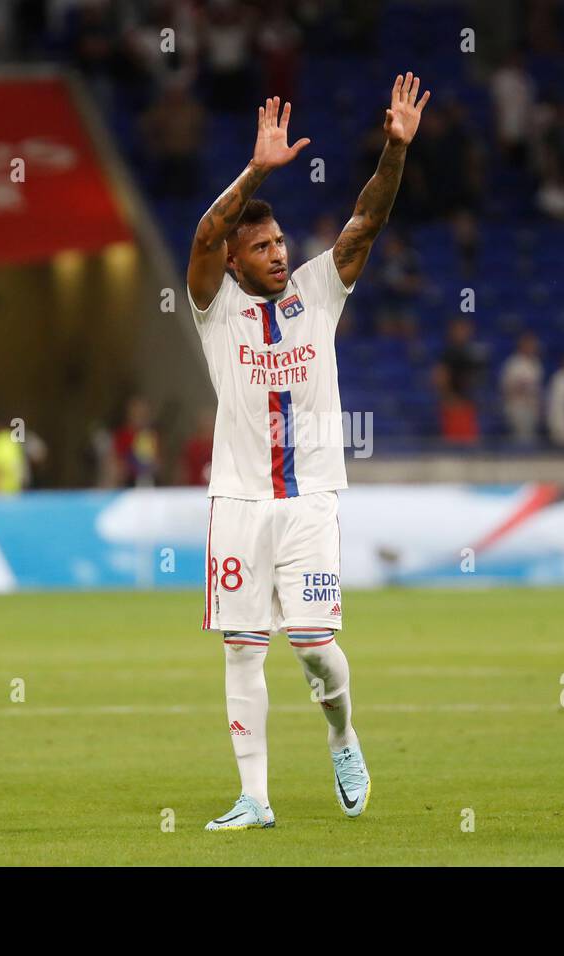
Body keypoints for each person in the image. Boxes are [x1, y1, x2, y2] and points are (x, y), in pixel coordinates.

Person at [184, 79, 431, 829]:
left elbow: (366, 220)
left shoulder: (317, 292)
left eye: (280, 241)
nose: (278, 254)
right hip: (236, 501)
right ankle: (254, 799)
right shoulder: (214, 306)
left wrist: (394, 148)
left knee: (317, 650)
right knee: (241, 650)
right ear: (233, 263)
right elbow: (201, 235)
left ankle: (342, 736)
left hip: (310, 498)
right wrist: (256, 171)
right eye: (259, 247)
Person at [499, 332, 543, 443]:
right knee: (519, 440)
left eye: (533, 344)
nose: (531, 347)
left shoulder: (536, 363)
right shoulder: (513, 364)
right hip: (516, 407)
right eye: (528, 344)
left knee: (530, 439)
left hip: (532, 407)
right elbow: (506, 388)